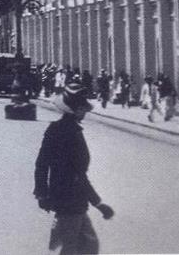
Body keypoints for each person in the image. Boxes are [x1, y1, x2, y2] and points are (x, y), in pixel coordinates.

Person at [34, 82, 115, 254]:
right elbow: (74, 174)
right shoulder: (66, 133)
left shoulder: (62, 130)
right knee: (77, 248)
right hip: (69, 201)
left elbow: (43, 164)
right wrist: (99, 204)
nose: (85, 111)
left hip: (71, 200)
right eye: (81, 108)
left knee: (87, 246)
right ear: (74, 110)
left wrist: (42, 192)